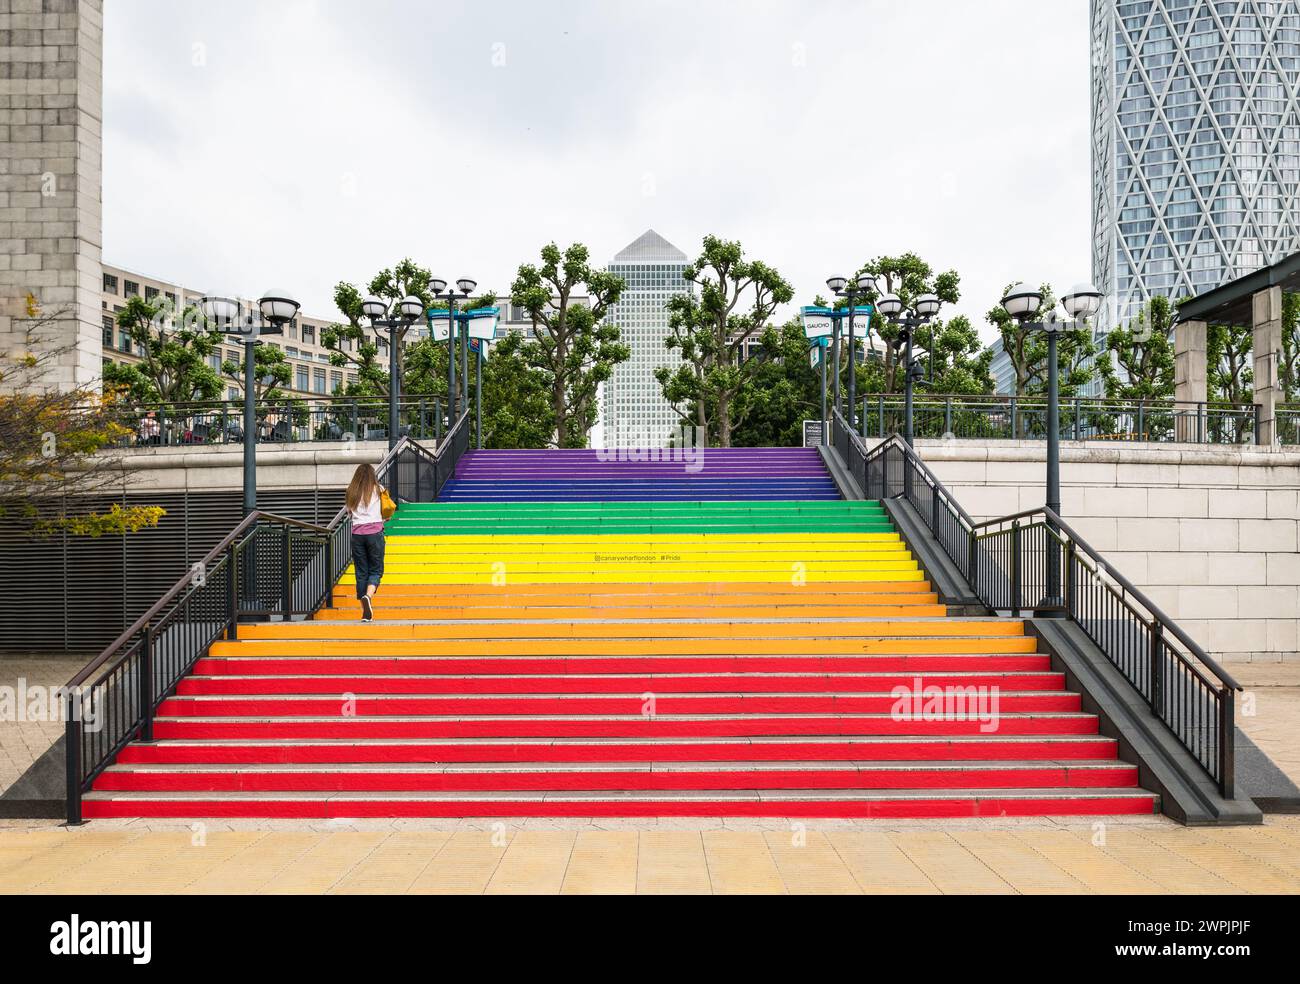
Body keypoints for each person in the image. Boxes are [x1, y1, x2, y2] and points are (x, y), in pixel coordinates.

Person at [346, 463, 387, 621]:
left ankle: (365, 612)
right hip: (375, 533)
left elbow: (349, 512)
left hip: (357, 534)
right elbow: (387, 511)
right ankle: (368, 597)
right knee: (376, 570)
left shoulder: (351, 491)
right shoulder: (379, 489)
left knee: (361, 571)